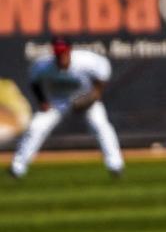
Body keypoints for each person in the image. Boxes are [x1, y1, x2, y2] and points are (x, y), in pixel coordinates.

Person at [8, 36, 124, 180]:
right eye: (58, 53)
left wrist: (92, 97)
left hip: (85, 98)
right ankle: (17, 168)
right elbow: (34, 81)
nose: (61, 55)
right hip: (58, 101)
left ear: (69, 51)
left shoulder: (87, 61)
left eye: (63, 52)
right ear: (54, 53)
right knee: (36, 127)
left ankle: (115, 166)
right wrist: (42, 101)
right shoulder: (43, 65)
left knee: (101, 126)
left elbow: (102, 78)